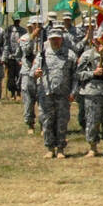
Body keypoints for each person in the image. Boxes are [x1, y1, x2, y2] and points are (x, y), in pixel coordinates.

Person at [34, 26, 78, 159]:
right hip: (46, 94)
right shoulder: (42, 55)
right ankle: (49, 148)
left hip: (63, 95)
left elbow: (75, 76)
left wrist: (73, 92)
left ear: (62, 39)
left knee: (62, 122)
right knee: (47, 122)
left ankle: (60, 149)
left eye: (57, 39)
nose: (55, 41)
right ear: (49, 40)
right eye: (53, 39)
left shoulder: (70, 55)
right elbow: (33, 72)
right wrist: (36, 73)